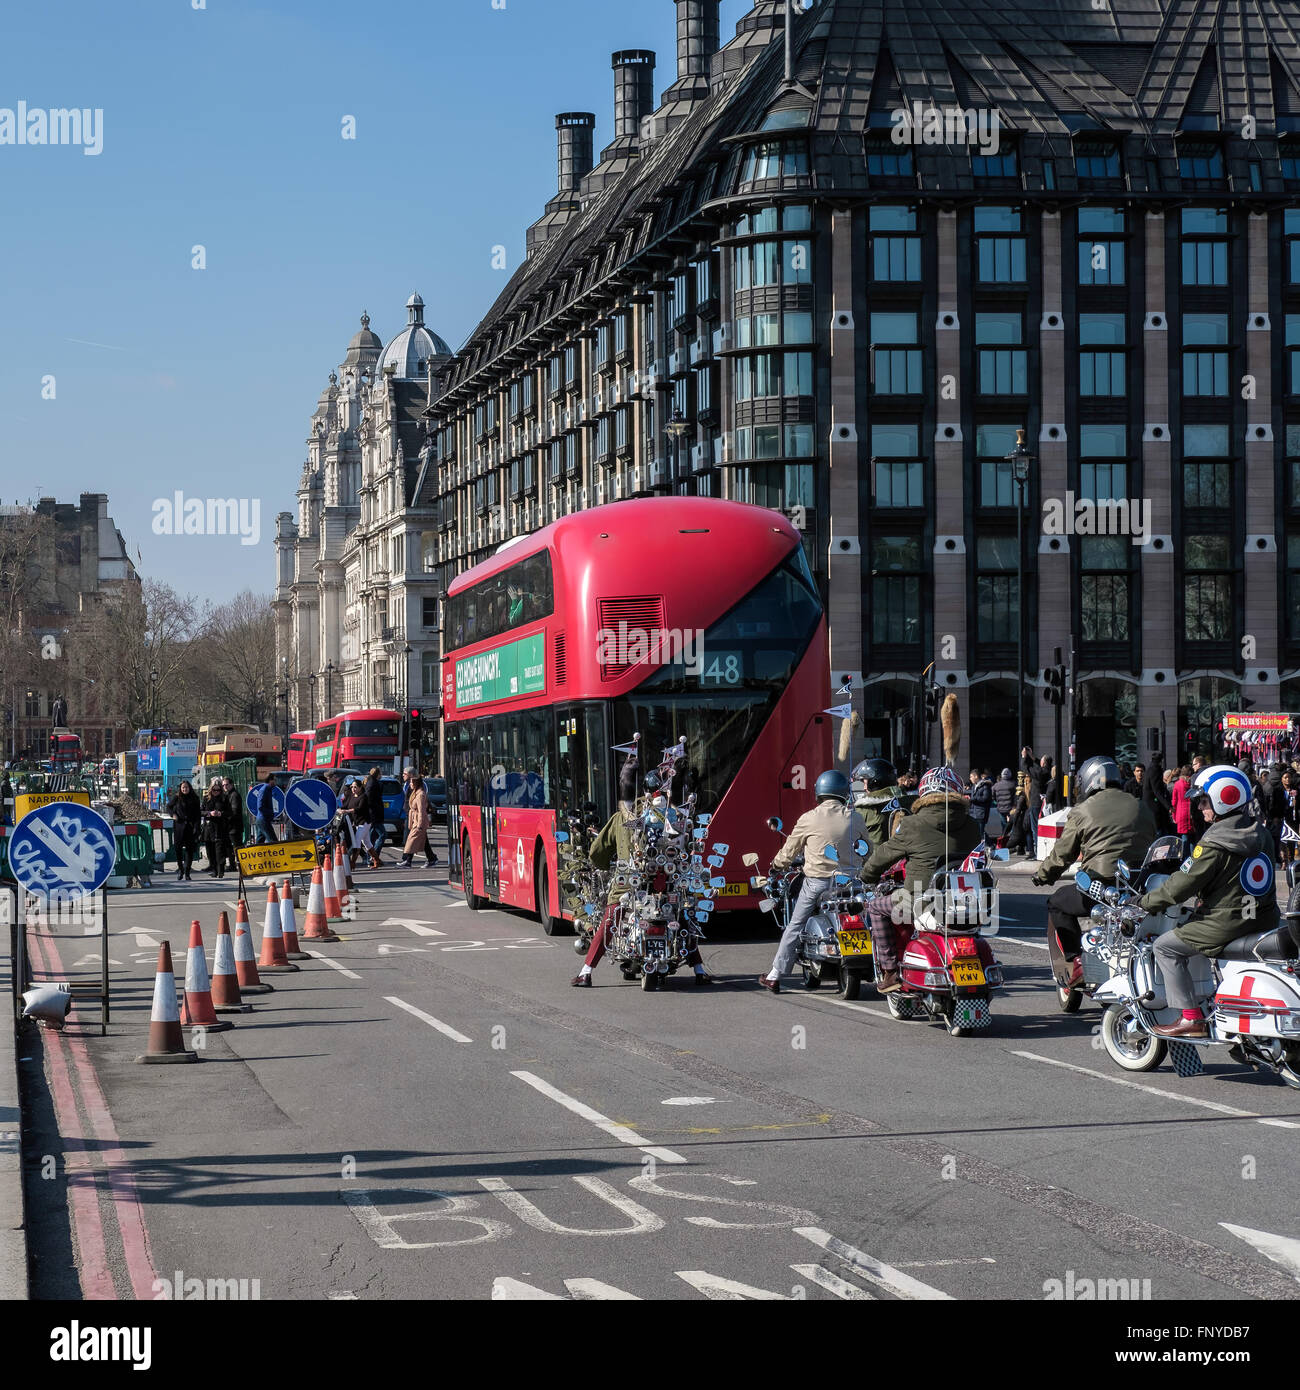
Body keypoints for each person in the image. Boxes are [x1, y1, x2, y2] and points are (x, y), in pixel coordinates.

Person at [1139, 766, 1281, 1039]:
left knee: (1165, 947)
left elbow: (1181, 886)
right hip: (1264, 919)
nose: (1200, 808)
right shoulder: (1261, 833)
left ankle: (1191, 1018)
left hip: (1227, 923)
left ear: (1222, 799)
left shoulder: (1214, 841)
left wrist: (1145, 901)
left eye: (1204, 801)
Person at [573, 767, 713, 987]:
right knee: (682, 917)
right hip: (667, 882)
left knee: (611, 919)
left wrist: (604, 864)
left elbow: (596, 854)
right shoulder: (676, 815)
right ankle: (699, 970)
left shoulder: (624, 817)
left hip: (629, 884)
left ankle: (586, 971)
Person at [1032, 755, 1158, 987]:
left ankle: (1078, 961)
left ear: (1090, 779)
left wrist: (1043, 875)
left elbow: (1063, 853)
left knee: (1057, 902)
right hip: (1139, 886)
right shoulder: (1140, 805)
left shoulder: (1083, 810)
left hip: (1101, 886)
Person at [858, 765, 982, 993]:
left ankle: (890, 970)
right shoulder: (973, 825)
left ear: (923, 792)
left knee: (875, 907)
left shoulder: (912, 824)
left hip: (920, 900)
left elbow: (882, 856)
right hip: (966, 902)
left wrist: (867, 875)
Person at [750, 770, 866, 994]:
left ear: (819, 792)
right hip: (851, 883)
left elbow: (790, 849)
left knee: (795, 925)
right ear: (844, 793)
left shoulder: (808, 818)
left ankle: (775, 975)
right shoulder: (855, 817)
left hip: (818, 883)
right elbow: (866, 849)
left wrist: (776, 865)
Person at [852, 757, 901, 851]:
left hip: (875, 861)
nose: (864, 787)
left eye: (865, 782)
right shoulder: (906, 802)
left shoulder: (865, 810)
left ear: (875, 782)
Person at [400, 775, 438, 869]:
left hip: (419, 821)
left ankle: (408, 861)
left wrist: (420, 824)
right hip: (415, 820)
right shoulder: (415, 793)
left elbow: (421, 811)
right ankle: (431, 858)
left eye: (412, 783)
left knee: (411, 840)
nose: (410, 784)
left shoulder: (420, 794)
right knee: (424, 842)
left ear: (416, 783)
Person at [167, 779, 201, 881]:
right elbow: (168, 807)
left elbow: (198, 814)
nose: (185, 789)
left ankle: (187, 872)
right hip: (179, 827)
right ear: (180, 789)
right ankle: (180, 869)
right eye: (183, 788)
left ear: (189, 788)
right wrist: (173, 815)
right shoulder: (177, 798)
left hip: (190, 827)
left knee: (189, 850)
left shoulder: (195, 798)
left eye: (186, 787)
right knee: (178, 849)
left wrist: (196, 826)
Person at [201, 783, 231, 879]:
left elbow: (229, 812)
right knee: (210, 851)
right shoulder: (206, 799)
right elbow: (201, 811)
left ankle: (220, 871)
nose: (216, 792)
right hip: (209, 828)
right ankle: (214, 870)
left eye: (218, 790)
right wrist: (209, 813)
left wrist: (220, 813)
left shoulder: (224, 799)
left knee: (219, 851)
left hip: (220, 827)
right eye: (214, 790)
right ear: (211, 790)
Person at [363, 767, 387, 868]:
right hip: (374, 814)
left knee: (371, 837)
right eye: (381, 773)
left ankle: (370, 859)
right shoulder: (373, 784)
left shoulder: (371, 782)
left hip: (373, 814)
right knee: (382, 835)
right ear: (378, 774)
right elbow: (369, 799)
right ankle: (374, 856)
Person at [223, 777, 243, 872]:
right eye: (223, 785)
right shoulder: (228, 795)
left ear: (232, 784)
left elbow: (234, 811)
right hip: (229, 826)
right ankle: (232, 865)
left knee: (237, 846)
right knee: (229, 847)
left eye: (227, 784)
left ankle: (241, 865)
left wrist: (225, 816)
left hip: (234, 826)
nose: (225, 787)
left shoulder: (234, 795)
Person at [1170, 764, 1193, 848]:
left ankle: (1184, 858)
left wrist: (1174, 816)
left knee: (1184, 839)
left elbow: (1174, 802)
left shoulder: (1177, 784)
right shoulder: (1193, 784)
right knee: (1193, 840)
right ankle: (1192, 859)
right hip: (1192, 813)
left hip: (1181, 813)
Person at [253, 771, 279, 845]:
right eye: (275, 780)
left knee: (260, 840)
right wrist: (270, 812)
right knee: (273, 841)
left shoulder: (268, 789)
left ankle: (255, 853)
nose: (276, 782)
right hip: (263, 819)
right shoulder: (264, 790)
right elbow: (260, 806)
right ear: (270, 780)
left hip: (263, 819)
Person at [992, 767, 1017, 842]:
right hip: (1011, 809)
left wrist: (997, 802)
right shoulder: (1013, 784)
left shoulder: (996, 785)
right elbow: (1016, 796)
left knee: (1004, 826)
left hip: (1001, 809)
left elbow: (992, 796)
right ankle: (1011, 841)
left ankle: (1004, 841)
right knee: (1012, 826)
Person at [967, 769, 993, 838]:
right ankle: (990, 845)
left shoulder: (985, 785)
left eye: (971, 776)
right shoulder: (974, 786)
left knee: (980, 833)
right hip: (974, 813)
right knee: (978, 832)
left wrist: (972, 799)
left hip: (981, 813)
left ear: (976, 776)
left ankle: (989, 845)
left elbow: (985, 798)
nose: (970, 779)